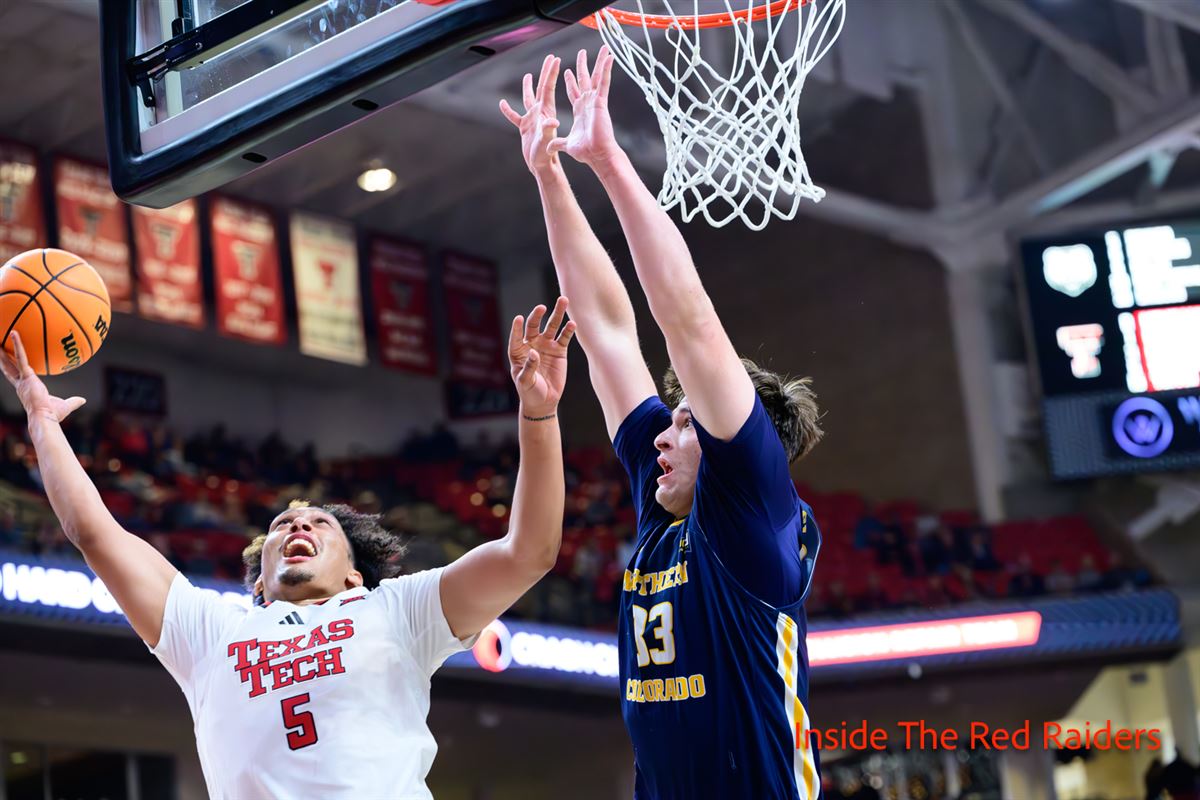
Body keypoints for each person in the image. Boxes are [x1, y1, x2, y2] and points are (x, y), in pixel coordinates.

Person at [0, 299, 576, 800]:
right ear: (257, 581)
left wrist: (540, 413)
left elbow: (529, 552)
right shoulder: (211, 631)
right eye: (283, 525)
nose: (298, 527)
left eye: (320, 524)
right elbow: (94, 532)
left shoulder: (399, 609)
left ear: (355, 575)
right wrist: (40, 417)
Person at [503, 50, 825, 798]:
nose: (660, 436)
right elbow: (607, 329)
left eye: (683, 423)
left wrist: (611, 164)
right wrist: (550, 174)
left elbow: (688, 323)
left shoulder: (749, 509)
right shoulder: (665, 500)